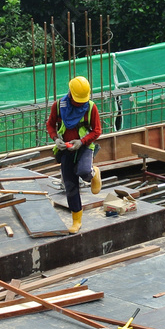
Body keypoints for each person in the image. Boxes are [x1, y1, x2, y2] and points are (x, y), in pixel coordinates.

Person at [46, 76, 102, 234]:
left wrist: (82, 141)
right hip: (66, 148)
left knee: (84, 171)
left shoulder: (90, 107)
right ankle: (76, 220)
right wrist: (56, 139)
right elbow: (50, 124)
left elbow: (97, 130)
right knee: (70, 185)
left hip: (83, 146)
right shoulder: (59, 106)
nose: (81, 103)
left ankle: (94, 172)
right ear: (70, 93)